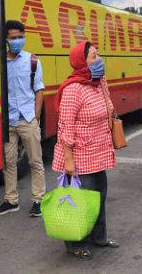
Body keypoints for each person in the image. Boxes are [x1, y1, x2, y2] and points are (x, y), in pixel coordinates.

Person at [52, 41, 118, 261]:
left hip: (99, 152)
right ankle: (76, 242)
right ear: (81, 62)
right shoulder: (73, 89)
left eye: (98, 55)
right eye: (93, 56)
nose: (98, 60)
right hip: (80, 156)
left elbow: (109, 110)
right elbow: (65, 127)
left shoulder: (99, 83)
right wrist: (68, 161)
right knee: (81, 202)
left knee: (99, 197)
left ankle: (99, 238)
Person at [0, 20, 46, 217]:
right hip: (8, 120)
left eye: (20, 37)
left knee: (35, 161)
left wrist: (36, 117)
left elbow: (39, 89)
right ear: (6, 39)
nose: (17, 41)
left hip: (27, 118)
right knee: (9, 162)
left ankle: (38, 200)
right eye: (13, 38)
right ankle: (11, 200)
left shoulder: (32, 60)